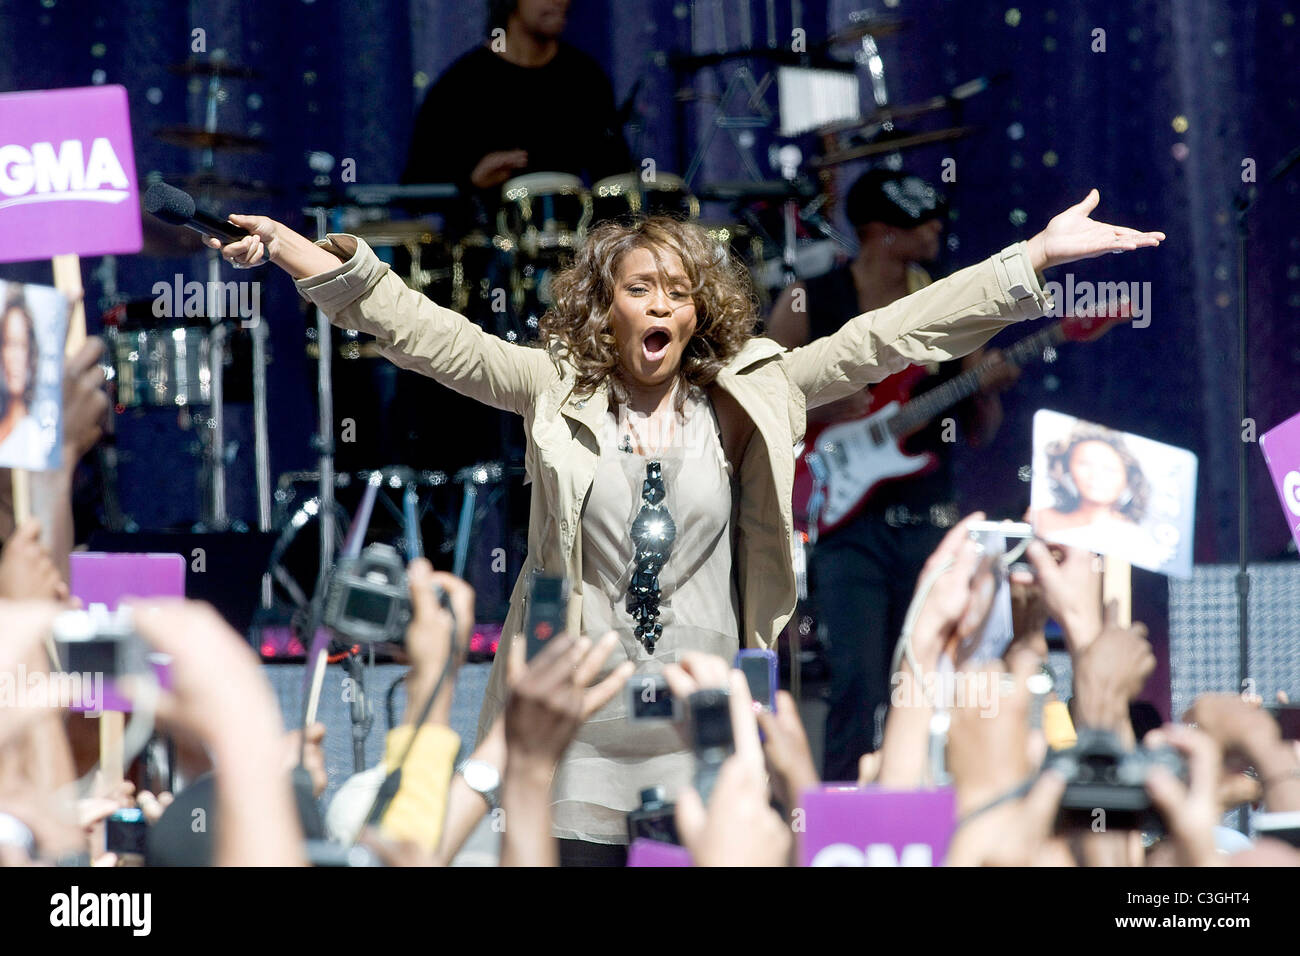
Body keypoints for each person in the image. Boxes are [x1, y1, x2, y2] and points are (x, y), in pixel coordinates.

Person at [209, 186, 1163, 864]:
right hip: (577, 730)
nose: (660, 303)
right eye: (637, 288)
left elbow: (892, 336)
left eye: (677, 289)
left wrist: (1031, 260)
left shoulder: (753, 389)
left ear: (699, 306)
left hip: (701, 729)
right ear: (605, 306)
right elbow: (426, 333)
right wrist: (298, 250)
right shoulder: (554, 387)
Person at [766, 168, 1019, 781]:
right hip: (848, 527)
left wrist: (984, 391)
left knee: (939, 682)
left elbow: (982, 431)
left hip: (931, 521)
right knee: (857, 682)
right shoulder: (810, 298)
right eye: (919, 221)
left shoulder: (949, 302)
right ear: (879, 232)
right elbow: (759, 402)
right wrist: (828, 408)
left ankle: (940, 816)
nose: (936, 229)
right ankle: (837, 831)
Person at [402, 0, 631, 201]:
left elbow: (614, 175)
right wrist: (470, 180)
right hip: (487, 241)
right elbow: (416, 187)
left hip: (569, 239)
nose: (561, 1)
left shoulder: (584, 77)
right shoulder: (461, 85)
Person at [0, 297, 43, 463]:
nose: (14, 358)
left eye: (21, 345)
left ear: (31, 353)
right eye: (9, 344)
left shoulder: (32, 438)